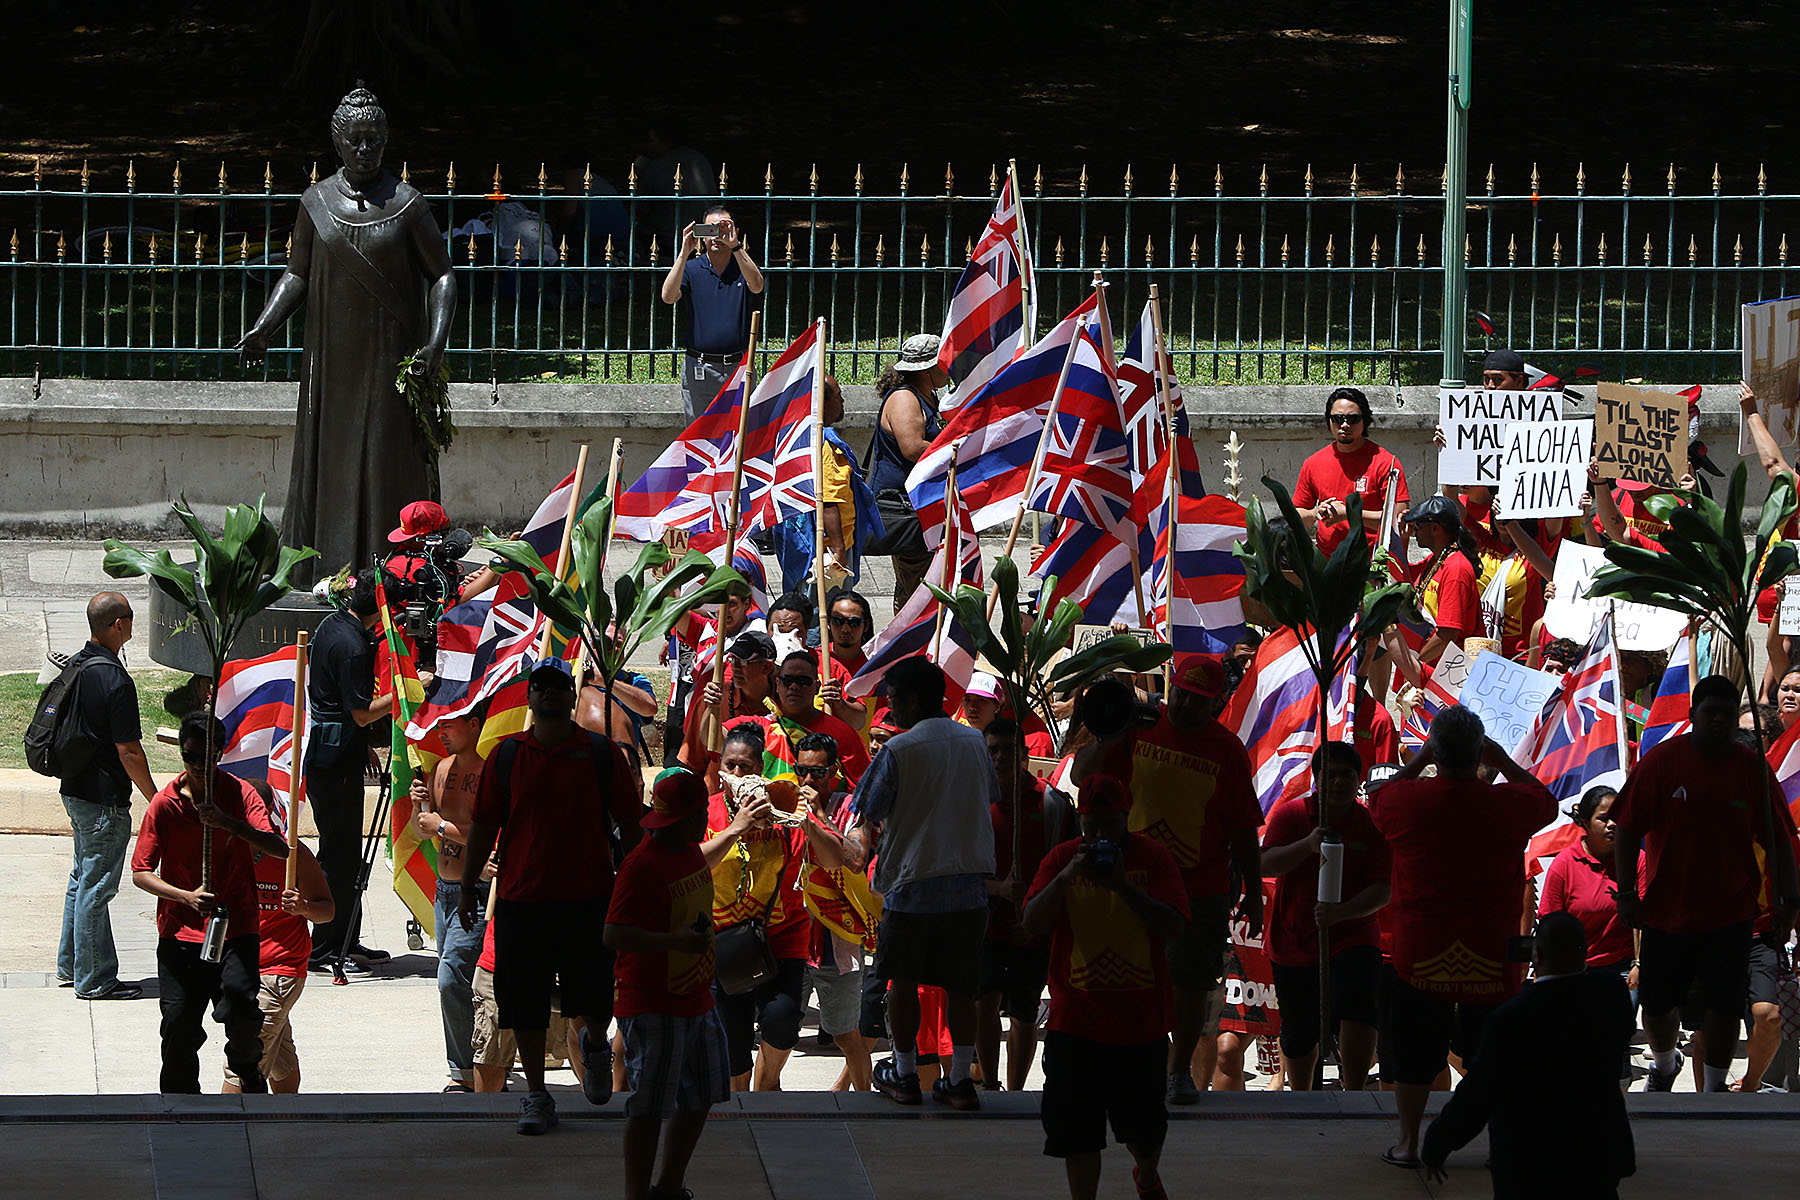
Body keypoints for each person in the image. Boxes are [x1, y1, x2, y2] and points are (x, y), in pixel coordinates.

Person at [236, 86, 456, 577]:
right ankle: (324, 569)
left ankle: (396, 569)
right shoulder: (315, 204)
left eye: (373, 140)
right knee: (329, 466)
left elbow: (443, 275)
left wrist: (435, 344)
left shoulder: (408, 205)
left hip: (389, 362)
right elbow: (296, 274)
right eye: (355, 140)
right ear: (338, 143)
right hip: (331, 365)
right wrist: (263, 327)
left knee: (387, 465)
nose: (364, 149)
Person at [459, 659, 645, 1134]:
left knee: (595, 993)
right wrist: (466, 885)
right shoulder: (507, 756)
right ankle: (538, 1095)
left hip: (588, 897)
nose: (548, 693)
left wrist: (637, 880)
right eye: (539, 686)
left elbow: (629, 820)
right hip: (523, 901)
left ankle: (597, 1046)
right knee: (525, 1003)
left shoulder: (601, 754)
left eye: (558, 686)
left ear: (571, 695)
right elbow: (483, 824)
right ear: (530, 697)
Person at [1366, 706, 1557, 1167]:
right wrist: (1504, 761)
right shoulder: (1506, 804)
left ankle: (1410, 1144)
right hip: (1490, 955)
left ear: (1436, 750)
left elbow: (1377, 795)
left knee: (1414, 1056)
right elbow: (1545, 800)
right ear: (1479, 752)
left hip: (1420, 952)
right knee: (1491, 1054)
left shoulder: (1407, 801)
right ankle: (1498, 1144)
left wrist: (1417, 760)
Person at [1072, 653, 1264, 1106]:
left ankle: (1178, 1074)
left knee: (1191, 984)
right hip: (1129, 881)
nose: (1183, 707)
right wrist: (1113, 736)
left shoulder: (1228, 751)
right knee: (1121, 978)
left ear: (1216, 703)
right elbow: (1082, 775)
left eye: (1197, 701)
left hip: (1201, 890)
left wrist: (1253, 896)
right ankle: (1123, 1067)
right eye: (1179, 695)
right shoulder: (1138, 727)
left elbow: (1242, 831)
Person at [1611, 674, 1800, 1092]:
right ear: (1694, 714)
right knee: (1659, 1009)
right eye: (1710, 713)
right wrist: (1627, 893)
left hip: (1730, 914)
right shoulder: (1662, 762)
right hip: (1666, 912)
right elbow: (1626, 828)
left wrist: (1790, 899)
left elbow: (1780, 839)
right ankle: (1663, 1065)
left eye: (1727, 715)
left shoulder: (1752, 769)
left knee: (1722, 1009)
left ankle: (1715, 1088)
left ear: (1737, 720)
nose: (1719, 722)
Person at [1022, 774, 1188, 1200]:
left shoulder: (1154, 859)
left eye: (1108, 826)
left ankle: (1146, 1176)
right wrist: (1065, 878)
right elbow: (1030, 924)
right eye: (1090, 826)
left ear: (1125, 818)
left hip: (1141, 1025)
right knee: (1077, 1133)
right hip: (1075, 1022)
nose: (1098, 836)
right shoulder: (1061, 859)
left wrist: (1123, 887)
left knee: (1145, 1133)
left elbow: (1174, 925)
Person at [851, 658, 998, 1110]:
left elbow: (867, 812)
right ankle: (958, 1081)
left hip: (911, 887)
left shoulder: (897, 750)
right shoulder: (975, 743)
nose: (890, 708)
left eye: (892, 699)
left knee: (902, 982)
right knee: (962, 987)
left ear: (913, 700)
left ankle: (906, 1073)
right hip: (969, 888)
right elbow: (990, 796)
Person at [1420, 911, 1635, 1196]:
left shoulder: (1511, 1018)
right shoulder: (1610, 996)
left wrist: (1437, 1143)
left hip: (1528, 1159)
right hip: (1596, 1150)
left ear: (1537, 954)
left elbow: (1478, 1094)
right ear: (1583, 951)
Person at [130, 712, 290, 1094]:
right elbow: (141, 871)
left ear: (221, 753)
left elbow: (278, 848)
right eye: (190, 757)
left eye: (208, 758)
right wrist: (185, 896)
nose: (199, 766)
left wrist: (229, 824)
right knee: (179, 1025)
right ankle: (180, 1104)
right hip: (180, 933)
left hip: (235, 927)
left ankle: (247, 1069)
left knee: (240, 1009)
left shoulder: (240, 793)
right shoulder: (165, 804)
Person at [605, 770, 729, 1200]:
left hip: (697, 997)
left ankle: (670, 1187)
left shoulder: (692, 850)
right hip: (653, 1003)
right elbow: (614, 933)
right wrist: (673, 942)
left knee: (701, 1097)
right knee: (648, 1109)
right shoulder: (641, 865)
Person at [701, 728, 846, 1090]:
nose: (735, 776)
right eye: (729, 766)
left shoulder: (783, 806)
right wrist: (735, 829)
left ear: (759, 769)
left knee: (782, 1020)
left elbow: (834, 860)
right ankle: (743, 1100)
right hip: (724, 943)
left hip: (781, 938)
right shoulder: (709, 813)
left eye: (745, 768)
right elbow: (690, 866)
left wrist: (806, 819)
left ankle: (766, 1086)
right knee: (733, 1045)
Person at [1260, 742, 1391, 1091]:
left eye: (1346, 775)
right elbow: (1263, 863)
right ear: (1317, 778)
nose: (1337, 783)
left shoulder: (1370, 825)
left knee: (1358, 1005)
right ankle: (1302, 1096)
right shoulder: (1291, 816)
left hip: (1352, 935)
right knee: (1299, 1027)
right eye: (1329, 775)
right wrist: (1305, 845)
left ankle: (1354, 1089)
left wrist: (1341, 913)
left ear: (1358, 780)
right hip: (1294, 940)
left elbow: (1382, 889)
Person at [56, 591, 157, 1000]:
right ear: (119, 624)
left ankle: (71, 965)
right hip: (103, 801)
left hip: (76, 791)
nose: (133, 624)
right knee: (97, 888)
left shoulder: (78, 664)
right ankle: (95, 979)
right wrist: (156, 797)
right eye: (131, 617)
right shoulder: (114, 678)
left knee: (81, 880)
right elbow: (129, 751)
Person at [305, 570, 395, 973]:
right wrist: (405, 694)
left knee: (346, 856)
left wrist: (363, 748)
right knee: (338, 857)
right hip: (333, 762)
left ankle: (345, 937)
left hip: (337, 753)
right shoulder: (355, 646)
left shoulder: (334, 622)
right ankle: (325, 948)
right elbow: (360, 713)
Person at [225, 780, 334, 1095]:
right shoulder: (227, 851)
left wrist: (303, 907)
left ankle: (224, 1136)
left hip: (278, 972)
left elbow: (327, 910)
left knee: (241, 1066)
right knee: (278, 1058)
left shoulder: (293, 855)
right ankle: (290, 1118)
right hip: (242, 972)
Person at [979, 717, 1065, 1091]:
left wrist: (1035, 913)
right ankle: (990, 1083)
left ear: (1025, 756)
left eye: (1007, 750)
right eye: (991, 750)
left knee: (1025, 1011)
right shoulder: (974, 802)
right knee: (984, 1004)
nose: (999, 758)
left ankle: (1015, 1089)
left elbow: (1066, 865)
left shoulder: (1052, 803)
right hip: (985, 924)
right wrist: (997, 890)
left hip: (1034, 930)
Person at [410, 709, 487, 1092]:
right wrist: (417, 806)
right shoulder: (439, 769)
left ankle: (471, 1071)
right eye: (439, 725)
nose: (441, 732)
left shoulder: (488, 774)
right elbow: (420, 831)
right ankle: (472, 1069)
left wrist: (440, 826)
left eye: (449, 725)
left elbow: (489, 835)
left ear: (473, 725)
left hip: (476, 891)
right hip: (444, 891)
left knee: (451, 977)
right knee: (457, 981)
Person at [794, 735, 876, 1091]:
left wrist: (820, 819)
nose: (808, 781)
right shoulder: (786, 805)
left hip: (836, 942)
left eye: (817, 772)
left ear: (834, 772)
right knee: (777, 1034)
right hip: (792, 937)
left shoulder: (852, 809)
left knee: (846, 1036)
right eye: (801, 771)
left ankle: (864, 1100)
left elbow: (855, 860)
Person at [659, 202, 764, 421]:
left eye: (722, 229)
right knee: (698, 438)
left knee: (740, 436)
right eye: (710, 230)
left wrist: (736, 246)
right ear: (702, 234)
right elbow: (668, 297)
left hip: (738, 367)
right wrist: (683, 253)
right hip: (700, 368)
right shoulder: (691, 269)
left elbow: (757, 285)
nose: (716, 236)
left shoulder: (742, 266)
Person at [867, 334, 950, 607]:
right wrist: (956, 451)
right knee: (916, 587)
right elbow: (913, 447)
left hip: (920, 507)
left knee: (922, 584)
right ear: (928, 369)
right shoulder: (905, 398)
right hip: (907, 509)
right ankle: (908, 643)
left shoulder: (925, 397)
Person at [1292, 386, 1409, 557]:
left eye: (1353, 419)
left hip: (1372, 563)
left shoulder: (1387, 463)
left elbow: (1399, 520)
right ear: (1329, 420)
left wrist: (1350, 514)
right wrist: (1315, 513)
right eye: (1338, 418)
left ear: (1365, 420)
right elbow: (1296, 516)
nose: (1345, 424)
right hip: (1326, 563)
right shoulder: (1313, 463)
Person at [1537, 786, 1639, 985]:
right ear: (1585, 823)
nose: (1613, 824)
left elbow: (1647, 919)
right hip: (1576, 972)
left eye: (1618, 816)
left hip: (1626, 971)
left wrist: (1640, 965)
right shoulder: (1564, 865)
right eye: (1604, 818)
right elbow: (1551, 923)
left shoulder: (1637, 860)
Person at [1401, 494, 1483, 663]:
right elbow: (1402, 578)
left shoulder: (1456, 569)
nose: (1414, 531)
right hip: (1431, 662)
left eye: (1418, 526)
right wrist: (1402, 539)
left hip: (1447, 673)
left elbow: (1448, 634)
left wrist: (1415, 664)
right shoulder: (1436, 560)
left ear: (1435, 529)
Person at [824, 587, 876, 675]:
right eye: (838, 621)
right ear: (828, 623)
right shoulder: (815, 661)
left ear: (866, 625)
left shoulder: (875, 664)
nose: (845, 629)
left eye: (854, 623)